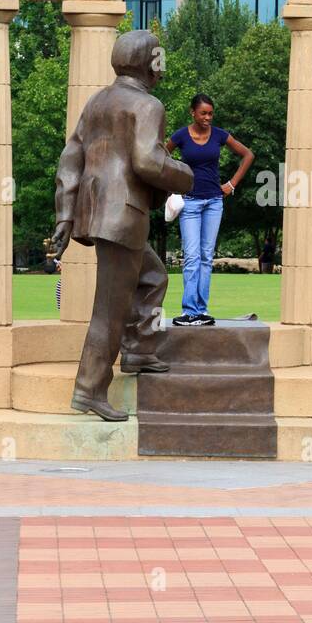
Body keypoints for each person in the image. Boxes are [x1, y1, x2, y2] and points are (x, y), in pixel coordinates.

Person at [50, 30, 194, 420]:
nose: (162, 67)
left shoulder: (98, 101)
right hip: (124, 214)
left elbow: (71, 158)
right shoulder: (147, 105)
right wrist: (185, 175)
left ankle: (138, 350)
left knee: (153, 278)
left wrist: (65, 213)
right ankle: (89, 390)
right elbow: (148, 162)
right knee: (109, 309)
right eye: (160, 59)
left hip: (96, 211)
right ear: (150, 63)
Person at [166, 93, 254, 326]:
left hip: (214, 202)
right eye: (203, 113)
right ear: (192, 112)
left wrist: (232, 184)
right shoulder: (181, 136)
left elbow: (248, 155)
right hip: (190, 203)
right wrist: (172, 186)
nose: (207, 117)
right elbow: (160, 158)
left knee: (206, 258)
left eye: (211, 114)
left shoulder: (219, 135)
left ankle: (201, 311)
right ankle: (188, 312)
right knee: (192, 257)